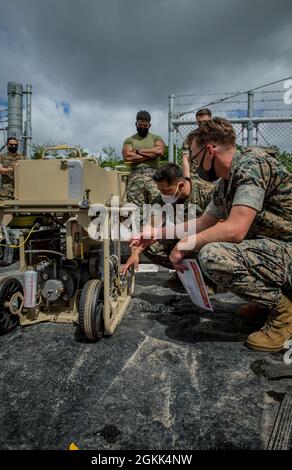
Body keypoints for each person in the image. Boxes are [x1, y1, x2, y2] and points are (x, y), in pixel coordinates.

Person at [165, 116, 292, 352]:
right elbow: (204, 222)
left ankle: (284, 312)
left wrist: (185, 244)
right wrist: (157, 232)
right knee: (207, 243)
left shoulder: (252, 164)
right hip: (279, 249)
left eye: (195, 159)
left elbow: (235, 229)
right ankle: (266, 303)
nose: (193, 167)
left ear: (210, 151)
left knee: (212, 254)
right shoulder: (226, 182)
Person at [122, 163, 213, 280]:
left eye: (167, 190)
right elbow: (153, 227)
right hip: (182, 237)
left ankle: (207, 276)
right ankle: (186, 272)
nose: (163, 194)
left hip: (207, 238)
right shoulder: (162, 199)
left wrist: (185, 245)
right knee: (152, 248)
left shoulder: (207, 192)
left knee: (208, 250)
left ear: (181, 185)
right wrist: (135, 253)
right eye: (160, 190)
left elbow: (221, 225)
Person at [122, 110, 165, 221]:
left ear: (149, 125)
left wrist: (137, 151)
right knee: (135, 210)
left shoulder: (156, 138)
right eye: (140, 125)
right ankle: (138, 236)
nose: (142, 127)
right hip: (136, 176)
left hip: (154, 175)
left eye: (145, 125)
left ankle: (156, 235)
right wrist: (151, 155)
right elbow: (127, 156)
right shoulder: (129, 140)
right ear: (136, 124)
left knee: (157, 206)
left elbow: (159, 151)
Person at [182, 108, 212, 178]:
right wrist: (187, 178)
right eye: (199, 122)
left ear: (211, 120)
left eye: (205, 121)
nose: (202, 124)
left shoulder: (219, 134)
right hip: (196, 175)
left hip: (216, 174)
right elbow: (186, 158)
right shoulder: (191, 137)